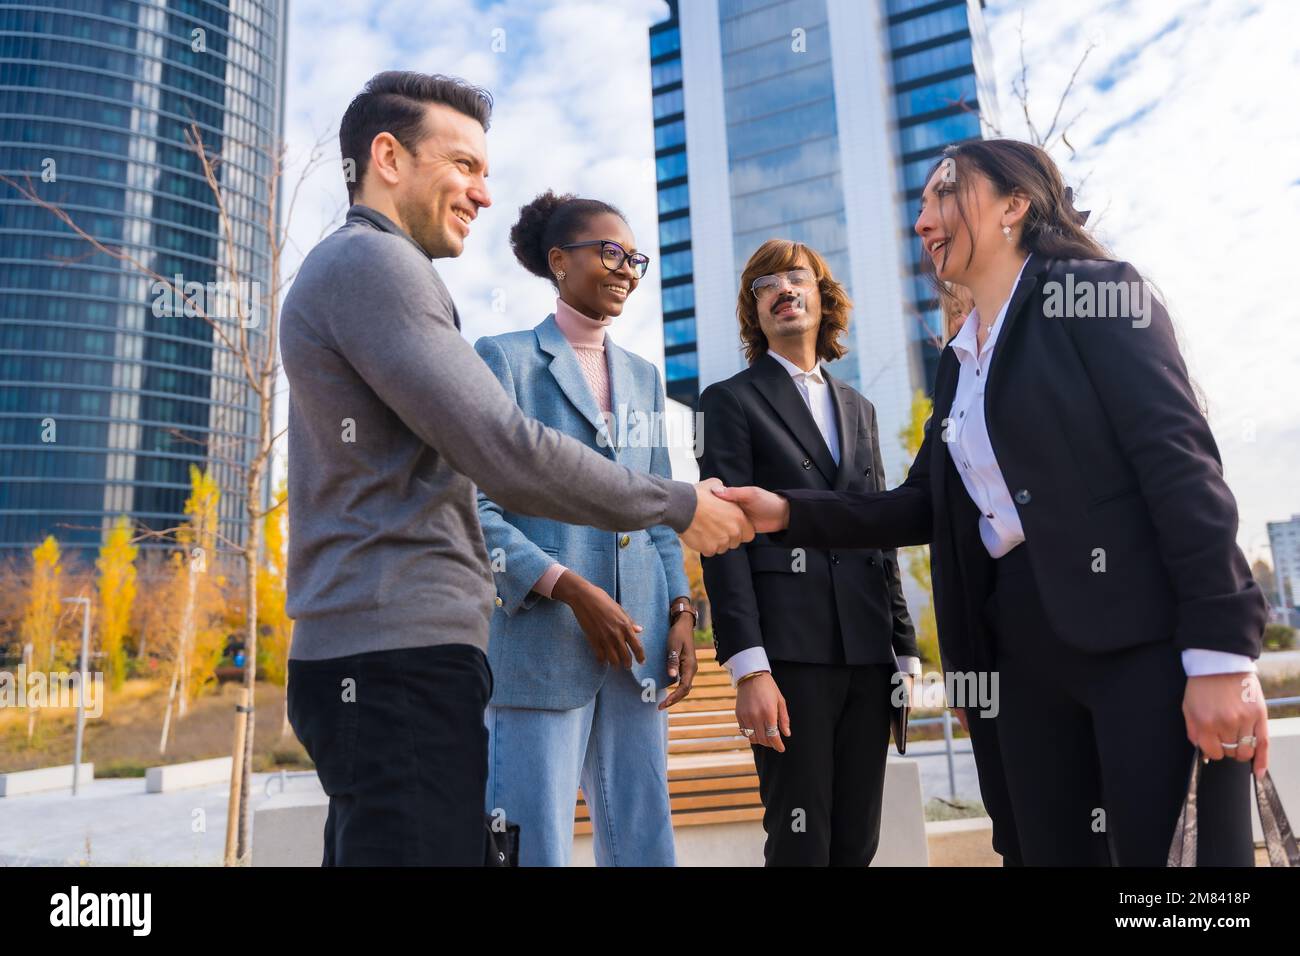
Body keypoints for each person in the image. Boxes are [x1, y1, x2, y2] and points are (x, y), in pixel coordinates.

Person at [715, 139, 1268, 866]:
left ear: (1016, 204)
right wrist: (787, 513)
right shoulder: (959, 360)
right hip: (1014, 646)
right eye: (918, 207)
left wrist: (1223, 655)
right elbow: (920, 505)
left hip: (1139, 636)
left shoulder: (1097, 292)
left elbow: (1181, 468)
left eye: (943, 195)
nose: (922, 221)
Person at [280, 71, 752, 866]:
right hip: (397, 655)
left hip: (394, 651)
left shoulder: (371, 271)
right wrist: (676, 505)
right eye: (463, 165)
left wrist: (676, 596)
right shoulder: (375, 267)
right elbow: (504, 452)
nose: (483, 193)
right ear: (388, 157)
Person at [474, 191, 696, 866]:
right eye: (609, 252)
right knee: (532, 845)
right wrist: (568, 587)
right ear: (559, 261)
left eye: (635, 258)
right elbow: (471, 511)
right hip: (539, 647)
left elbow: (655, 507)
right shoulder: (502, 358)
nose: (626, 267)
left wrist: (682, 609)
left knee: (644, 843)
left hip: (639, 648)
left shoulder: (643, 376)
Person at [696, 239, 919, 866]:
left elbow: (878, 526)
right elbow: (723, 542)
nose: (784, 289)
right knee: (800, 843)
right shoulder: (729, 401)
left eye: (797, 277)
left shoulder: (861, 408)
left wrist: (903, 647)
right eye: (766, 282)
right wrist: (749, 667)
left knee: (858, 842)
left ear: (823, 298)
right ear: (755, 308)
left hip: (869, 651)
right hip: (789, 656)